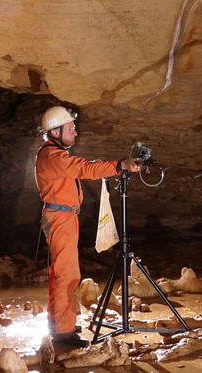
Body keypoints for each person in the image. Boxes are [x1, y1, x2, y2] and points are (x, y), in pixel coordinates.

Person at [35, 105, 142, 347]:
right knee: (67, 274)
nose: (75, 132)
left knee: (60, 273)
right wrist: (119, 165)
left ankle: (59, 323)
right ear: (55, 132)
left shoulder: (54, 154)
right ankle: (63, 331)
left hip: (63, 217)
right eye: (70, 128)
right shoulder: (52, 156)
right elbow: (83, 168)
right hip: (60, 219)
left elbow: (82, 166)